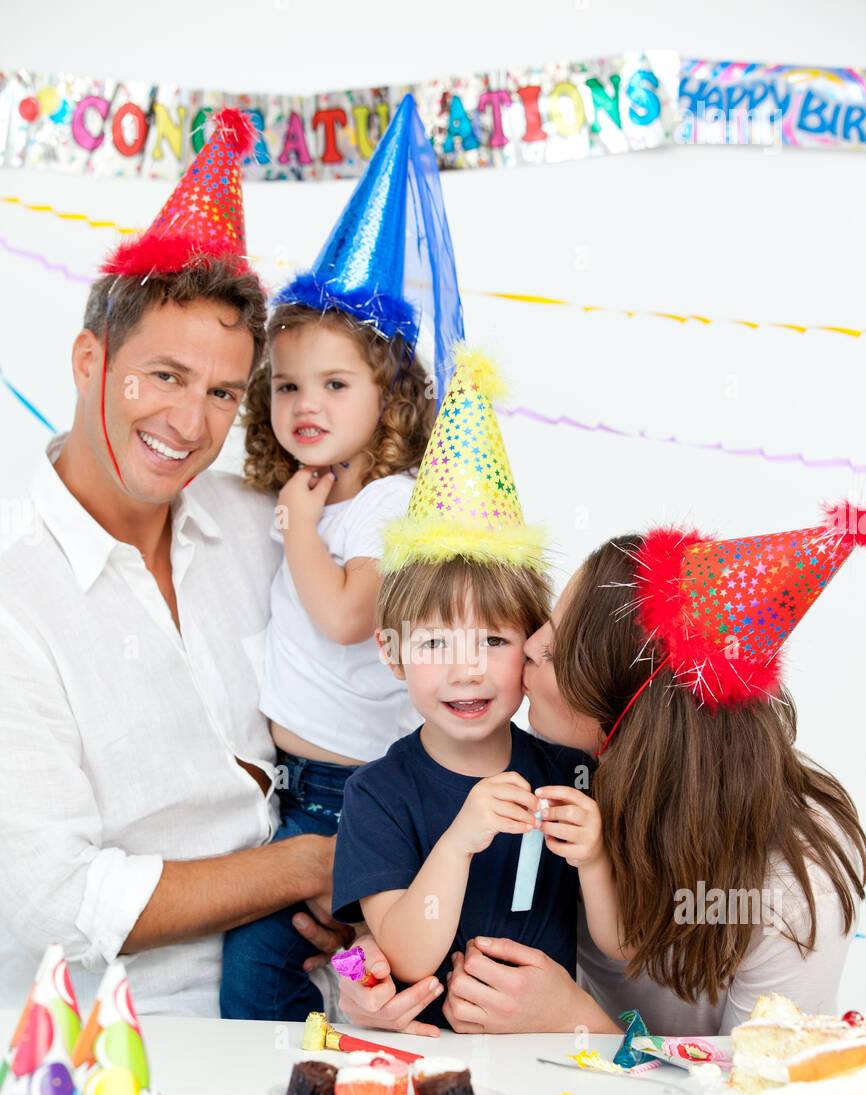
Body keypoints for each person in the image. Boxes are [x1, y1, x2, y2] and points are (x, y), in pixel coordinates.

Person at [0, 112, 347, 1017]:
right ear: (90, 360)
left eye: (223, 391)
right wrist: (303, 866)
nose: (190, 426)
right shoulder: (14, 597)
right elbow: (55, 903)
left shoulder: (263, 529)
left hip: (321, 1008)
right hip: (119, 1043)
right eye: (162, 376)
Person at [336, 513, 866, 1035]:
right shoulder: (582, 776)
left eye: (557, 643)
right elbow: (392, 892)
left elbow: (752, 1094)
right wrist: (363, 966)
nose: (531, 645)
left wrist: (572, 1022)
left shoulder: (796, 888)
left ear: (620, 711)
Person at [219, 92, 463, 1020]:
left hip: (359, 790)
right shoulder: (328, 495)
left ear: (389, 395)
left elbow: (348, 615)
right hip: (294, 793)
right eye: (285, 385)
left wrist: (295, 521)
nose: (304, 404)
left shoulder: (383, 505)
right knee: (282, 967)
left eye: (333, 383)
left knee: (290, 967)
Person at [330, 351, 600, 1029]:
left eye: (494, 641)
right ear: (391, 653)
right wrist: (457, 842)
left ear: (534, 645)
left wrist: (596, 859)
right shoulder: (379, 794)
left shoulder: (573, 774)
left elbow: (622, 947)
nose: (466, 669)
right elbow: (407, 955)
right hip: (424, 1058)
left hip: (549, 1061)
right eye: (433, 644)